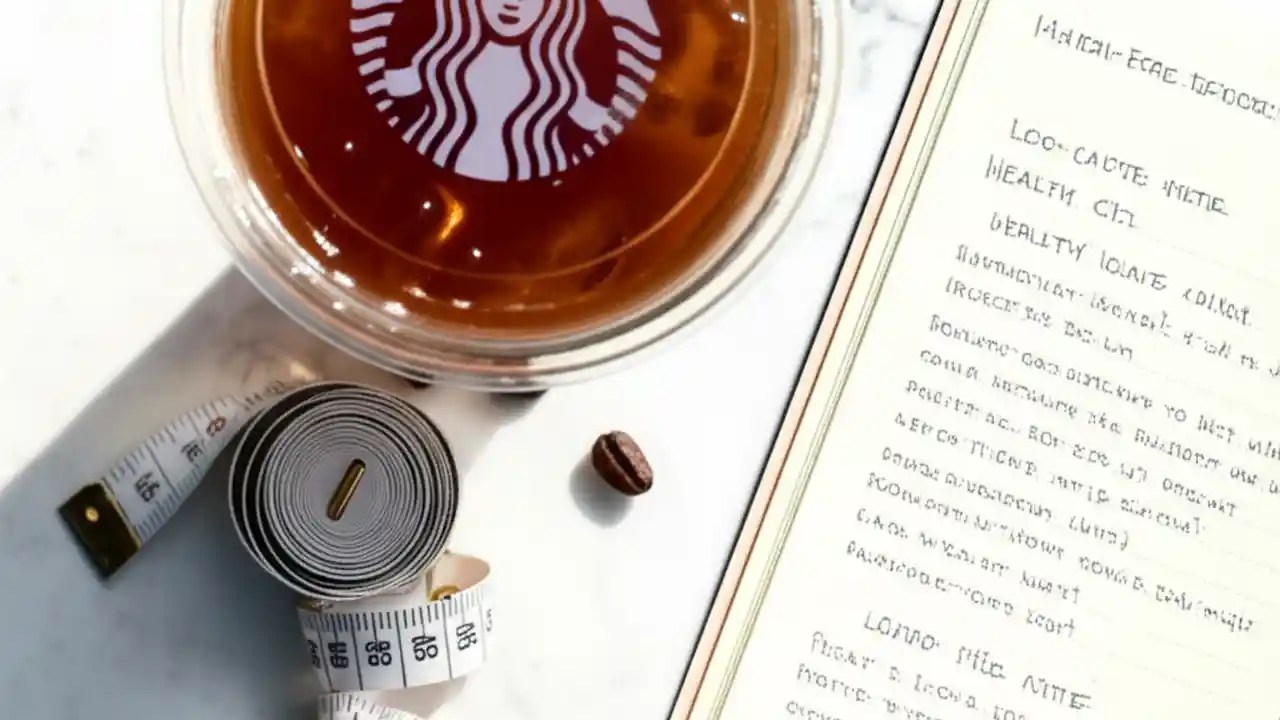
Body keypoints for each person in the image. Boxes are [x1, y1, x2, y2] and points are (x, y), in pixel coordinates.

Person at [374, 0, 662, 182]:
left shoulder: (562, 81)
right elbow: (396, 84)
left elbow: (597, 120)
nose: (512, 3)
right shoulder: (437, 62)